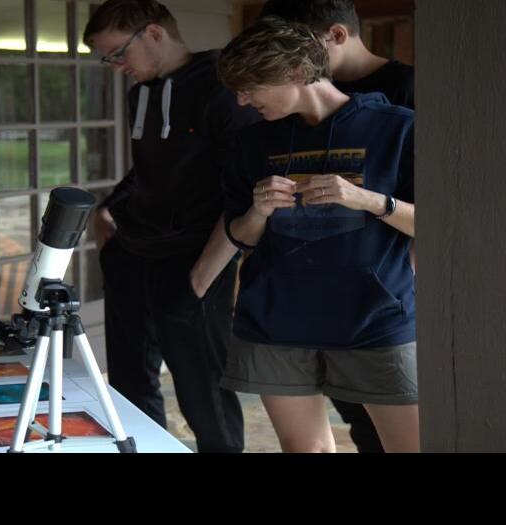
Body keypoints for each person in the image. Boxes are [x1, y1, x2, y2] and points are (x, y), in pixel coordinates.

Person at [218, 17, 418, 452]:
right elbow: (241, 237)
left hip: (374, 318)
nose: (242, 99)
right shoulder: (250, 143)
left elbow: (441, 227)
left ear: (293, 72)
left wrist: (368, 200)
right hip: (274, 319)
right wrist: (258, 209)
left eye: (250, 86)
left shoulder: (397, 127)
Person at [82, 0, 260, 452]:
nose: (115, 67)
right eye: (107, 59)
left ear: (155, 34)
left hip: (192, 259)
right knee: (128, 384)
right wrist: (110, 208)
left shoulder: (223, 87)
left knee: (203, 392)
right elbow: (148, 171)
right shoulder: (140, 91)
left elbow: (243, 184)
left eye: (118, 54)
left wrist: (209, 268)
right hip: (132, 253)